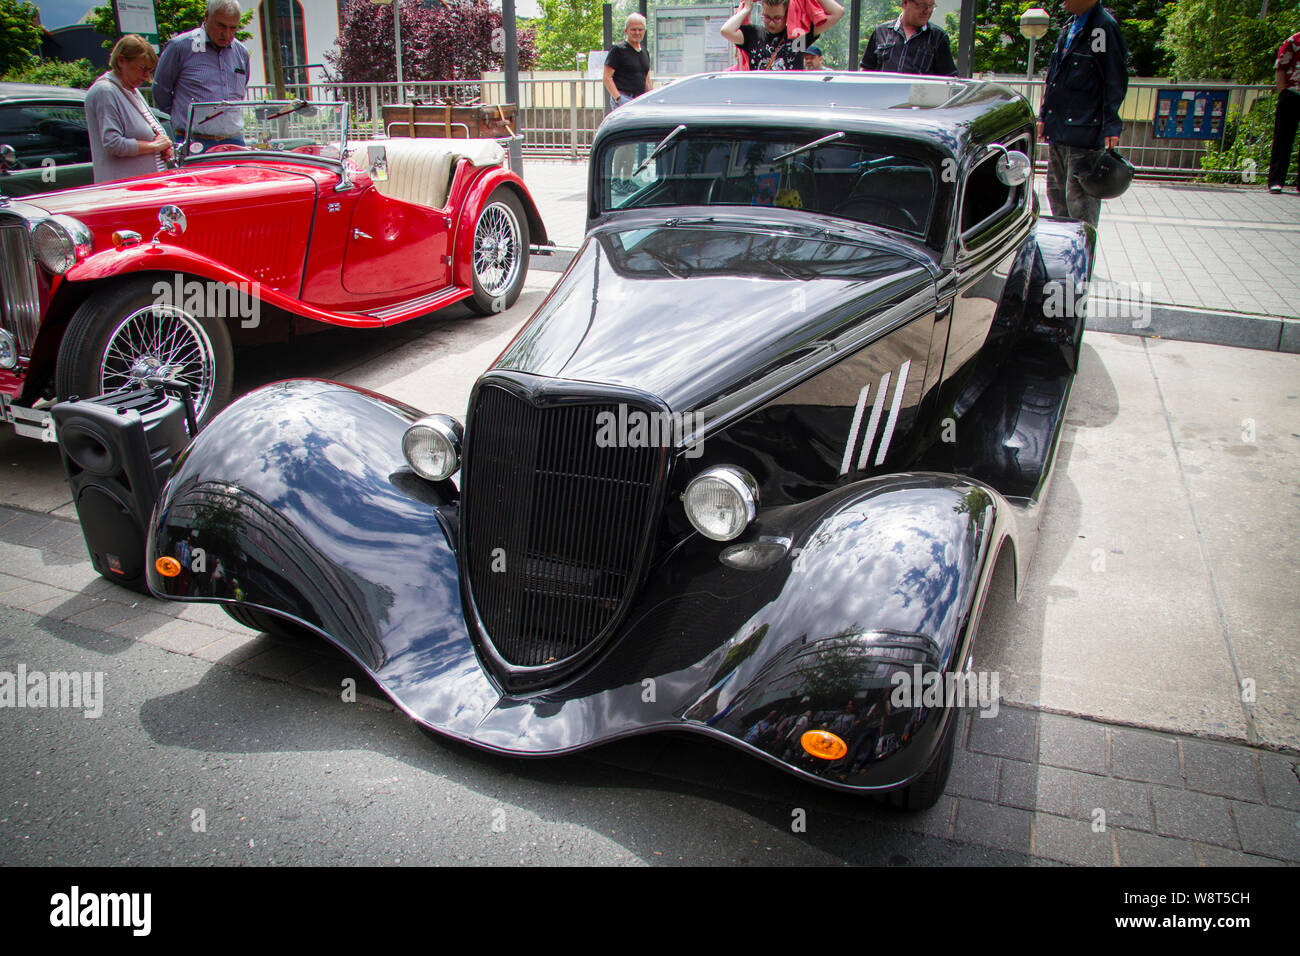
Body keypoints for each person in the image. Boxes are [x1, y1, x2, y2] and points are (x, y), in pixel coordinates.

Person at [1036, 0, 1128, 228]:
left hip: (1085, 133)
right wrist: (1043, 116)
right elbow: (1053, 77)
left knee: (1080, 209)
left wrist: (1111, 126)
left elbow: (1114, 79)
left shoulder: (1102, 28)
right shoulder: (1070, 26)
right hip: (1059, 131)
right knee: (1057, 201)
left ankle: (1081, 260)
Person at [153, 0, 250, 153]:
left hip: (234, 142)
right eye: (221, 26)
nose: (226, 34)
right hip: (194, 142)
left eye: (233, 28)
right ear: (206, 16)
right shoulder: (180, 47)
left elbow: (242, 87)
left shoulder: (241, 52)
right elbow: (161, 90)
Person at [84, 34, 173, 183]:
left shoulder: (130, 89)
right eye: (142, 68)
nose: (146, 76)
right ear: (121, 61)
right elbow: (113, 144)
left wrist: (164, 147)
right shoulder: (105, 91)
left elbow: (148, 131)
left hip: (145, 186)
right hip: (124, 189)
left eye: (149, 71)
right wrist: (155, 146)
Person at [721, 0, 845, 72]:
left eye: (777, 18)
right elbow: (726, 30)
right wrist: (746, 9)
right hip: (760, 101)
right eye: (766, 17)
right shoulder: (753, 34)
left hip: (789, 102)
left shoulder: (799, 35)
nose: (771, 22)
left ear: (787, 14)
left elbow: (837, 12)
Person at [858, 0, 957, 76]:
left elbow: (948, 79)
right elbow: (866, 70)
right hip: (882, 100)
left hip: (918, 102)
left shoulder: (938, 37)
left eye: (931, 6)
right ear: (905, 2)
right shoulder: (881, 31)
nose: (927, 11)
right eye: (922, 5)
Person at [1268, 30, 1300, 194]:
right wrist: (1283, 93)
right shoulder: (1294, 41)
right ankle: (1276, 181)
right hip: (1292, 94)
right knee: (1283, 140)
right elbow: (1280, 67)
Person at [604, 13, 651, 109]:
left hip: (641, 100)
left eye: (640, 29)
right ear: (626, 31)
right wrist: (618, 98)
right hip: (624, 100)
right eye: (633, 29)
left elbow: (647, 80)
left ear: (644, 31)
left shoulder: (645, 52)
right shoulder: (617, 50)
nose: (637, 33)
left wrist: (651, 98)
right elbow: (607, 77)